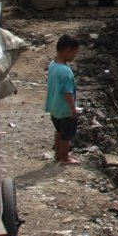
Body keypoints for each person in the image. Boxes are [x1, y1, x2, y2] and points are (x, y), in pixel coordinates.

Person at [45, 34, 81, 164]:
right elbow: (67, 93)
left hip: (54, 107)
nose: (74, 56)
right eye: (75, 53)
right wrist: (72, 109)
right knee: (66, 135)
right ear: (67, 51)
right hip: (65, 110)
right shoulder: (65, 71)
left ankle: (58, 154)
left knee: (58, 131)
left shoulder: (52, 65)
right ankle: (65, 158)